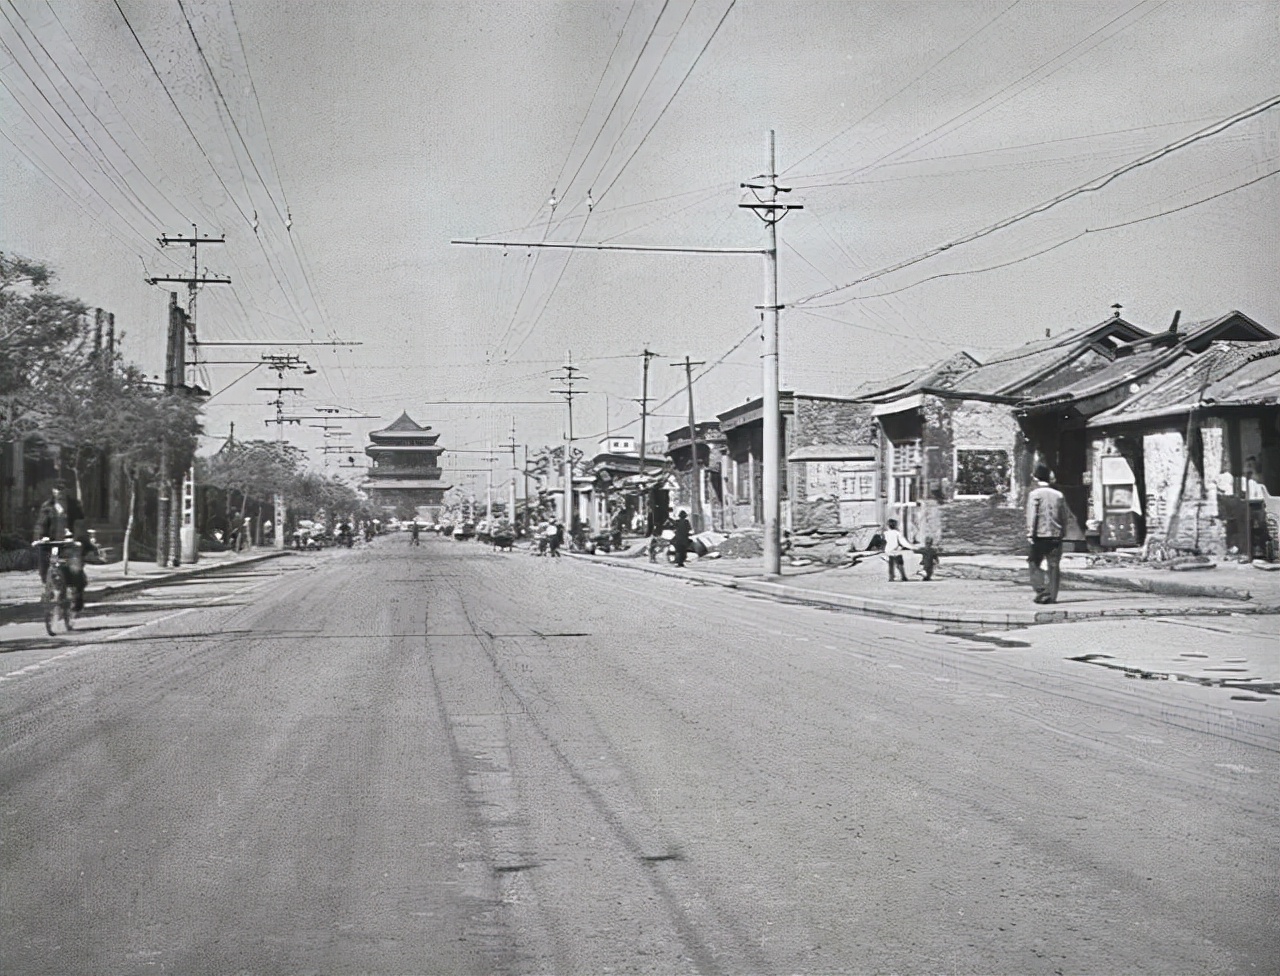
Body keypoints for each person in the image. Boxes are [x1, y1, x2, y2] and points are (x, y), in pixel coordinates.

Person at [34, 481, 87, 610]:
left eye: (62, 489)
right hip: (52, 542)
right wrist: (40, 538)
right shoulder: (47, 506)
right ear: (53, 491)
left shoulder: (74, 506)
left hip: (69, 543)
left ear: (67, 490)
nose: (60, 492)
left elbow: (80, 523)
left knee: (75, 569)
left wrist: (77, 538)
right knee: (45, 563)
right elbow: (41, 524)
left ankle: (76, 595)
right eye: (57, 489)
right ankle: (48, 587)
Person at [1026, 462, 1068, 604]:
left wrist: (1030, 533)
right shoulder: (1059, 495)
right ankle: (1052, 595)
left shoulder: (1034, 495)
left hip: (1040, 535)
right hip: (1056, 535)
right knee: (1054, 565)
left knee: (1033, 562)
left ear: (1036, 479)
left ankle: (1041, 590)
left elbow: (1032, 515)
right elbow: (1064, 516)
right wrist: (1063, 532)